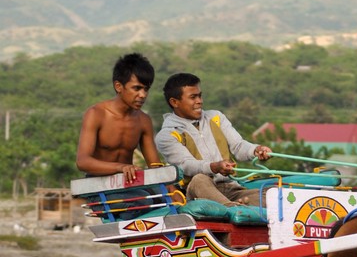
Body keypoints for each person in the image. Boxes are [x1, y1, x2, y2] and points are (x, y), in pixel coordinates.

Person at [156, 72, 272, 206]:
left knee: (273, 196)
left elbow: (238, 146)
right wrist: (214, 167)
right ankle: (232, 208)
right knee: (199, 179)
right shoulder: (167, 135)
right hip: (199, 191)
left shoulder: (216, 117)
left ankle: (233, 206)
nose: (199, 101)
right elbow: (186, 165)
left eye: (200, 96)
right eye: (193, 97)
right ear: (174, 102)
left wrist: (256, 150)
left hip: (231, 188)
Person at [76, 52, 162, 183]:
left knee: (166, 200)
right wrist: (120, 167)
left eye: (146, 89)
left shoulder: (144, 120)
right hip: (98, 184)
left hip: (128, 183)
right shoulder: (96, 114)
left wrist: (171, 190)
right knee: (144, 199)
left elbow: (155, 165)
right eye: (137, 88)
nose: (143, 95)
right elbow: (82, 162)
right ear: (118, 86)